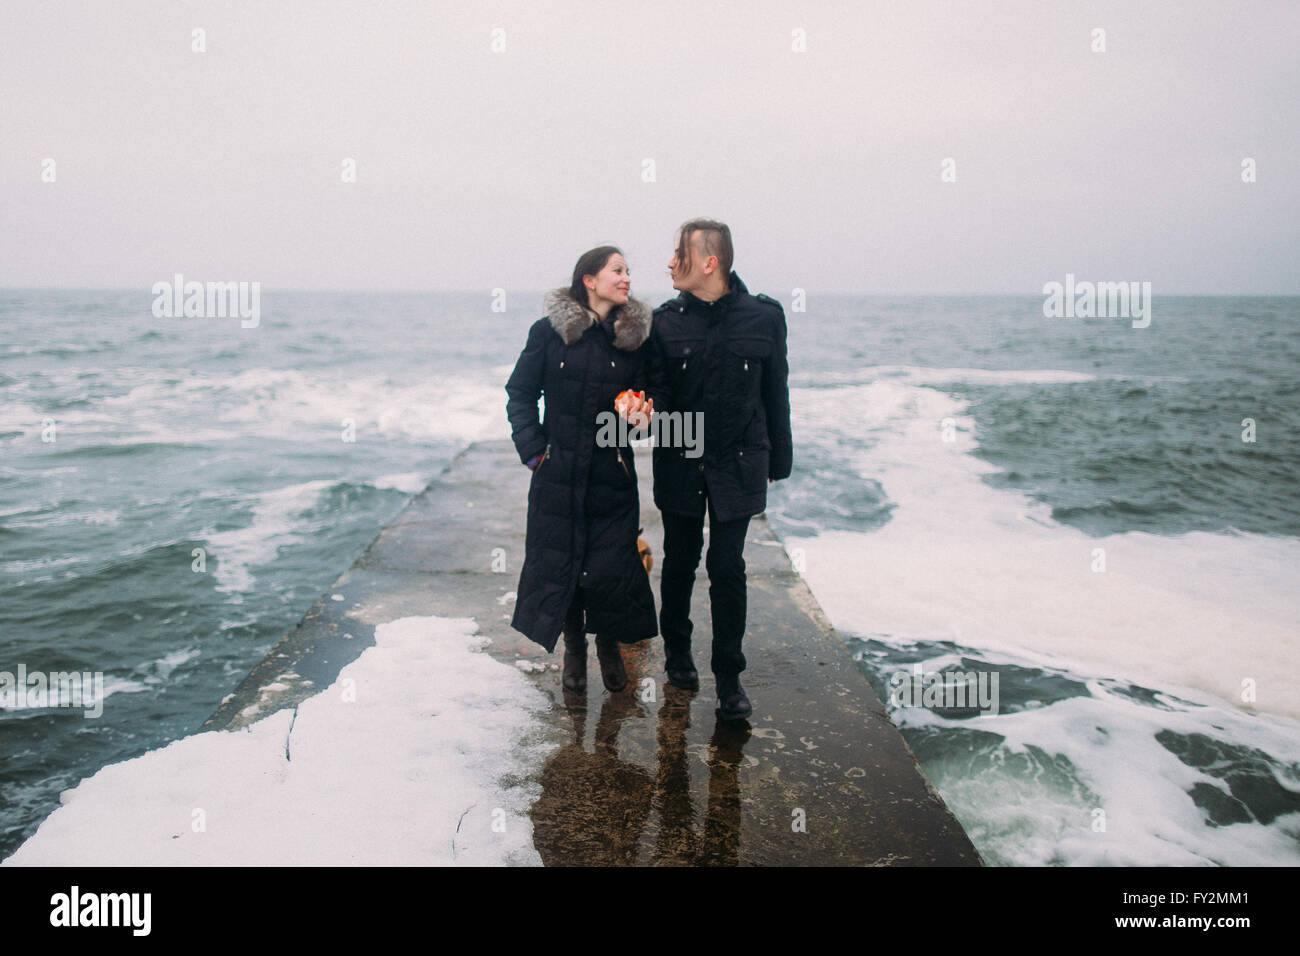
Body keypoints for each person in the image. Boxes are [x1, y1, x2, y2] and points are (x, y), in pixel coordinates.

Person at [645, 219, 792, 721]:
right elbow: (660, 395)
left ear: (710, 262)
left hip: (740, 461)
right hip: (681, 460)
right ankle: (678, 654)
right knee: (681, 562)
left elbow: (776, 393)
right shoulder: (664, 322)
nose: (669, 263)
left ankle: (729, 678)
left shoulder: (764, 318)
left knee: (727, 567)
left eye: (679, 254)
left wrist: (781, 460)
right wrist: (646, 416)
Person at [506, 246, 658, 693]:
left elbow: (655, 403)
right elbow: (520, 392)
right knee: (565, 563)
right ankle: (574, 649)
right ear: (589, 280)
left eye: (629, 271)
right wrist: (534, 451)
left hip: (613, 475)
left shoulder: (635, 340)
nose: (627, 278)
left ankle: (607, 644)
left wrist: (644, 416)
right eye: (617, 270)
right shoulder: (549, 333)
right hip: (558, 475)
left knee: (611, 568)